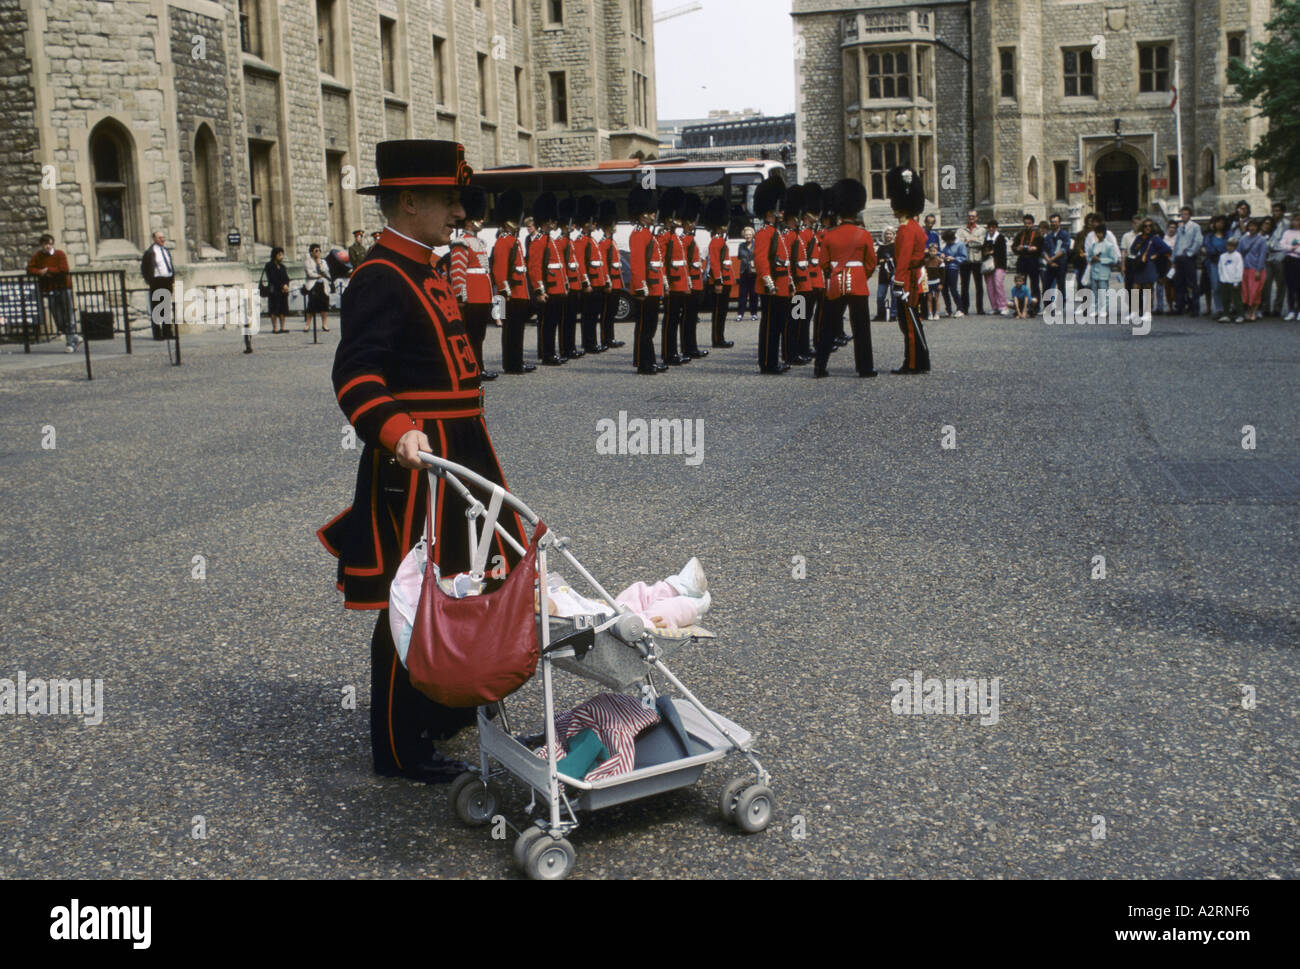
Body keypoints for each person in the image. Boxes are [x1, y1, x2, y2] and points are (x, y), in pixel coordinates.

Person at [318, 139, 527, 783]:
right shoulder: (380, 274)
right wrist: (397, 429)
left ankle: (440, 709)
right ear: (409, 201)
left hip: (460, 451)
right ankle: (398, 746)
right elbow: (356, 374)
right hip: (416, 463)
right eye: (446, 198)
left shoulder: (426, 265)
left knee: (464, 586)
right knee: (410, 602)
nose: (458, 211)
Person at [814, 177, 876, 377]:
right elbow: (871, 263)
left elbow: (823, 262)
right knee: (861, 329)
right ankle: (865, 368)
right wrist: (861, 276)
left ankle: (820, 367)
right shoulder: (863, 234)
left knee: (828, 327)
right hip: (857, 283)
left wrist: (833, 274)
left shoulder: (829, 236)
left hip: (835, 283)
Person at [448, 186, 497, 381]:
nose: (482, 221)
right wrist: (460, 295)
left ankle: (478, 367)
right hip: (472, 296)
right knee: (472, 336)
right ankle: (473, 369)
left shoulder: (479, 242)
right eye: (478, 217)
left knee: (479, 336)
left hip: (482, 294)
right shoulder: (462, 242)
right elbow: (457, 271)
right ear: (469, 221)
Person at [888, 166, 930, 374]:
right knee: (914, 321)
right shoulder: (916, 227)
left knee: (909, 324)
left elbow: (903, 259)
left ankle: (912, 363)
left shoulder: (905, 230)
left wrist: (898, 283)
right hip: (916, 277)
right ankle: (921, 361)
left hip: (909, 280)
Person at [489, 189, 535, 375]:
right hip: (511, 294)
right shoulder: (503, 241)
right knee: (511, 331)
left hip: (519, 291)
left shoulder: (513, 241)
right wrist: (505, 291)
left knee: (517, 331)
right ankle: (511, 364)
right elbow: (499, 270)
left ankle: (517, 361)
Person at [753, 172, 792, 374]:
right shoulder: (764, 233)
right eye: (780, 209)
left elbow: (784, 261)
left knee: (777, 327)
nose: (783, 213)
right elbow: (760, 261)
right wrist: (769, 283)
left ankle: (773, 360)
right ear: (772, 210)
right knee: (769, 327)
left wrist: (790, 283)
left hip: (782, 286)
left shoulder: (777, 233)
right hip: (772, 287)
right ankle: (767, 363)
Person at [627, 186, 667, 374]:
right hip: (647, 288)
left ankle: (648, 360)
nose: (654, 215)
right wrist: (641, 288)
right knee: (645, 328)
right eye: (651, 212)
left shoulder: (647, 233)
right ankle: (644, 363)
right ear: (643, 214)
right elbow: (637, 265)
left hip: (654, 286)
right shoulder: (638, 234)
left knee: (650, 327)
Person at [527, 192, 566, 365]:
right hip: (548, 289)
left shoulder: (550, 240)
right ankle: (545, 353)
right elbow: (534, 268)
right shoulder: (539, 241)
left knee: (553, 322)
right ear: (545, 221)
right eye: (552, 221)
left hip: (556, 287)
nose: (555, 224)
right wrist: (539, 290)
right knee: (546, 324)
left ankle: (550, 351)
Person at [27, 234, 79, 352]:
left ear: (52, 244)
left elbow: (64, 269)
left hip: (63, 288)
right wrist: (39, 271)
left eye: (49, 244)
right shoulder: (38, 256)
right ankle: (74, 337)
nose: (47, 246)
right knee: (58, 317)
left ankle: (70, 343)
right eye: (45, 244)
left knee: (68, 315)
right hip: (50, 289)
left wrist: (49, 270)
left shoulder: (59, 254)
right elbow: (30, 268)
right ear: (42, 245)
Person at [793, 183, 824, 360]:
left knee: (805, 317)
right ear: (806, 215)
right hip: (801, 283)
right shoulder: (802, 234)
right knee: (799, 317)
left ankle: (803, 347)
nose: (817, 217)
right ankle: (798, 348)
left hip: (810, 282)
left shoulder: (810, 233)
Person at [659, 187, 689, 367]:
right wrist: (665, 283)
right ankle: (668, 354)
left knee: (675, 319)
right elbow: (661, 260)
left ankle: (673, 352)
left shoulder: (674, 236)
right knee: (670, 320)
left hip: (678, 282)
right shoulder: (664, 236)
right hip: (671, 282)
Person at [705, 197, 735, 348]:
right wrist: (718, 281)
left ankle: (720, 337)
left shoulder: (721, 240)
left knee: (722, 312)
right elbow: (715, 264)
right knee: (718, 313)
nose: (726, 226)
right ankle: (717, 339)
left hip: (726, 280)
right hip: (720, 282)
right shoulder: (716, 242)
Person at [596, 200, 626, 349]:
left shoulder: (611, 242)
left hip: (616, 282)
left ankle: (610, 338)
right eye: (613, 224)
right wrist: (607, 282)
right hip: (610, 283)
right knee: (607, 313)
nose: (615, 226)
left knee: (612, 312)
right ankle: (605, 339)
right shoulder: (603, 243)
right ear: (608, 225)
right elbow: (604, 266)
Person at [1127, 218, 1169, 325]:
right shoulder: (1139, 238)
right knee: (1136, 287)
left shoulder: (1154, 239)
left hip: (1149, 265)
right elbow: (1132, 250)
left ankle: (1147, 312)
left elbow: (1167, 249)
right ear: (1142, 227)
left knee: (1148, 288)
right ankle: (1134, 311)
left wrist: (1155, 255)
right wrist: (1138, 247)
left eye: (1150, 226)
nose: (1148, 228)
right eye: (1145, 226)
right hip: (1140, 264)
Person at [680, 193, 707, 359]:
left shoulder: (690, 239)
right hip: (690, 283)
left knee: (692, 319)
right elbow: (685, 264)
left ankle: (692, 347)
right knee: (687, 319)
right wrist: (688, 283)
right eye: (690, 221)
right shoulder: (684, 240)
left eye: (693, 221)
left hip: (696, 283)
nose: (693, 224)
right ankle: (688, 348)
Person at [141, 230, 176, 340]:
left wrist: (171, 277)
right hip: (157, 281)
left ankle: (167, 332)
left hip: (167, 280)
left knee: (166, 307)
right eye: (160, 238)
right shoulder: (150, 252)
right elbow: (144, 268)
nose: (162, 239)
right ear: (154, 239)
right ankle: (157, 333)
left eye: (163, 237)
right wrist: (150, 280)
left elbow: (169, 264)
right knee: (156, 307)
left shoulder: (165, 251)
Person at [1171, 207, 1204, 316]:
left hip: (1188, 257)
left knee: (1192, 283)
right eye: (1182, 214)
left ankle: (1195, 308)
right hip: (1179, 257)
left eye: (1185, 214)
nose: (1183, 216)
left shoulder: (1195, 227)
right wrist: (1173, 258)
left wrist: (1190, 252)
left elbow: (1198, 241)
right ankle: (1180, 306)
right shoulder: (1180, 228)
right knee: (1179, 283)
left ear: (1190, 215)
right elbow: (1177, 243)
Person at [1085, 223, 1120, 319]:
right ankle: (1095, 309)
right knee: (1094, 292)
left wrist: (1101, 260)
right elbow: (1088, 257)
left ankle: (1103, 309)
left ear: (1104, 234)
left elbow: (1114, 259)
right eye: (1097, 233)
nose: (1099, 235)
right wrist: (1091, 259)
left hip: (1104, 271)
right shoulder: (1093, 245)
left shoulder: (1109, 246)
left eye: (1100, 233)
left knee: (1103, 291)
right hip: (1094, 271)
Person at [1236, 219, 1268, 321]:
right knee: (1246, 292)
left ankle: (1254, 311)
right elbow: (1238, 253)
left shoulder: (1262, 240)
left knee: (1255, 292)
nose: (1252, 228)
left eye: (1254, 226)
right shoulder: (1242, 239)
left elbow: (1262, 255)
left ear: (1257, 227)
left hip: (1256, 269)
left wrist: (1259, 270)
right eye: (1250, 226)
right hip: (1245, 268)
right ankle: (1248, 311)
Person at [957, 210, 986, 316]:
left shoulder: (981, 230)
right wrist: (972, 240)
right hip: (965, 261)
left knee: (979, 286)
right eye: (969, 216)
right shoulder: (960, 230)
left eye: (973, 216)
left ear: (977, 218)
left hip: (977, 260)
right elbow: (959, 244)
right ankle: (965, 308)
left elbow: (981, 242)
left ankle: (980, 308)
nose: (971, 218)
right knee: (964, 285)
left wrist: (968, 241)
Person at [1011, 214, 1042, 313]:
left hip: (1033, 260)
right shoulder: (1020, 234)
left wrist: (1036, 248)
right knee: (1020, 285)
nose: (1027, 225)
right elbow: (1013, 247)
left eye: (1029, 224)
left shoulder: (1038, 234)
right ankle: (1019, 307)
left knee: (1034, 285)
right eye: (1025, 224)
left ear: (1032, 224)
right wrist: (1017, 248)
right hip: (1022, 260)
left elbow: (1042, 248)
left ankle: (1035, 307)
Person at [1264, 202, 1290, 316]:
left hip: (1280, 254)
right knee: (1266, 282)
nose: (1275, 213)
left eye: (1278, 211)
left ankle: (1277, 308)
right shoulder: (1269, 222)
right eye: (1274, 211)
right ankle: (1265, 307)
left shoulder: (1287, 224)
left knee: (1281, 284)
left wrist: (1284, 254)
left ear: (1282, 212)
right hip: (1268, 255)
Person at [1041, 213, 1071, 304]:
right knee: (1046, 285)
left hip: (1060, 263)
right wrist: (1049, 261)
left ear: (1059, 223)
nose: (1054, 224)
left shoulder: (1064, 234)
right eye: (1052, 222)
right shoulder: (1048, 236)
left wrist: (1052, 259)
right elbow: (1044, 250)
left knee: (1061, 286)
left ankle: (1060, 306)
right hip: (1049, 263)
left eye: (1056, 222)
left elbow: (1064, 249)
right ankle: (1047, 306)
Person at [1203, 215, 1229, 318]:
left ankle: (1226, 307)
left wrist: (1219, 251)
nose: (1220, 224)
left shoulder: (1228, 234)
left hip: (1226, 263)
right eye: (1218, 222)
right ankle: (1219, 308)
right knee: (1215, 286)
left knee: (1226, 286)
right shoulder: (1209, 236)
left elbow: (1229, 246)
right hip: (1213, 262)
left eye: (1222, 222)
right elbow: (1208, 248)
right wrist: (1218, 251)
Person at [982, 220, 1008, 315]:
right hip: (988, 264)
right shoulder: (986, 238)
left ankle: (1003, 306)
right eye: (990, 227)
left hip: (999, 264)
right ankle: (994, 306)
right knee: (990, 286)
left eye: (993, 227)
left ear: (996, 227)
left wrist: (992, 252)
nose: (991, 229)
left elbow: (1002, 252)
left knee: (998, 285)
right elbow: (983, 250)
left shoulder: (1000, 237)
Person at [262, 246, 291, 334]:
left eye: (282, 255)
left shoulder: (282, 267)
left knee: (283, 309)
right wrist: (282, 286)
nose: (281, 257)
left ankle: (282, 327)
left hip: (283, 291)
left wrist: (286, 285)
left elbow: (286, 277)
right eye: (279, 255)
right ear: (275, 255)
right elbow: (272, 278)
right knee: (274, 309)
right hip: (274, 291)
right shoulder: (269, 265)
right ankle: (275, 328)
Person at [304, 243, 330, 331]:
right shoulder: (308, 261)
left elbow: (326, 271)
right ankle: (307, 324)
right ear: (311, 252)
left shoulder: (323, 262)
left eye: (319, 251)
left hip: (322, 284)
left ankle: (324, 324)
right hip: (313, 284)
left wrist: (320, 265)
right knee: (311, 305)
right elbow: (309, 273)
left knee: (324, 305)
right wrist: (318, 276)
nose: (318, 253)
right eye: (316, 251)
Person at [1217, 237, 1245, 323]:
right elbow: (1220, 268)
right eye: (1228, 245)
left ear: (1235, 247)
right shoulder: (1222, 256)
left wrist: (1237, 281)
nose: (1230, 247)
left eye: (1232, 246)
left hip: (1234, 281)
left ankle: (1240, 315)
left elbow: (1239, 268)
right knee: (1225, 299)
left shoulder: (1237, 256)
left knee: (1237, 299)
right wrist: (1221, 278)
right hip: (1224, 280)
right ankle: (1226, 314)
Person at [940, 229, 965, 317]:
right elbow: (943, 252)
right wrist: (942, 255)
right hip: (945, 268)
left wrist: (953, 259)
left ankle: (960, 308)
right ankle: (948, 309)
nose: (947, 242)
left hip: (953, 268)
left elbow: (963, 257)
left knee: (953, 289)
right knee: (944, 289)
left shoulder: (960, 245)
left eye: (948, 241)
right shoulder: (947, 244)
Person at [1280, 212, 1300, 320]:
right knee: (1290, 286)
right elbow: (1283, 245)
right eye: (1295, 220)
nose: (1297, 222)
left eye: (1299, 220)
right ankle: (1291, 310)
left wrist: (1293, 249)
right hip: (1289, 261)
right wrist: (1292, 248)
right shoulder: (1287, 232)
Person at [736, 225, 758, 321]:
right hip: (744, 271)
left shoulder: (756, 244)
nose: (748, 236)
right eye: (746, 234)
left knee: (753, 293)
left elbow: (757, 256)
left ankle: (754, 313)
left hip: (753, 271)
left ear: (753, 235)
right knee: (742, 294)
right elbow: (740, 256)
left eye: (749, 234)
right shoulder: (741, 245)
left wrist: (752, 260)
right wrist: (749, 260)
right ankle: (740, 314)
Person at [875, 226, 896, 322]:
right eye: (887, 234)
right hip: (883, 273)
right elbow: (877, 260)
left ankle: (893, 314)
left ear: (893, 235)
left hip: (893, 272)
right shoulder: (881, 247)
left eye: (890, 233)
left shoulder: (896, 246)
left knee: (894, 295)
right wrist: (881, 261)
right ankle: (881, 314)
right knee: (880, 296)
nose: (888, 235)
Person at [1119, 214, 1143, 289]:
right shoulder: (1126, 236)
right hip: (1130, 261)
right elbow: (1124, 252)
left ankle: (1139, 300)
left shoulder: (1144, 236)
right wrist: (1123, 266)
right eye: (1135, 223)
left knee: (1140, 286)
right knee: (1129, 285)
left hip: (1140, 261)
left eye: (1138, 224)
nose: (1136, 225)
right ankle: (1130, 300)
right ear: (1132, 224)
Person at [923, 242, 943, 319]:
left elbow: (942, 274)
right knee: (929, 298)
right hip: (928, 282)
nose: (932, 253)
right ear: (928, 251)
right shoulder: (926, 261)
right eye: (931, 251)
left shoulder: (939, 261)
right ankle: (930, 313)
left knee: (937, 298)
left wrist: (941, 283)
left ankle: (937, 313)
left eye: (934, 251)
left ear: (937, 251)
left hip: (936, 282)